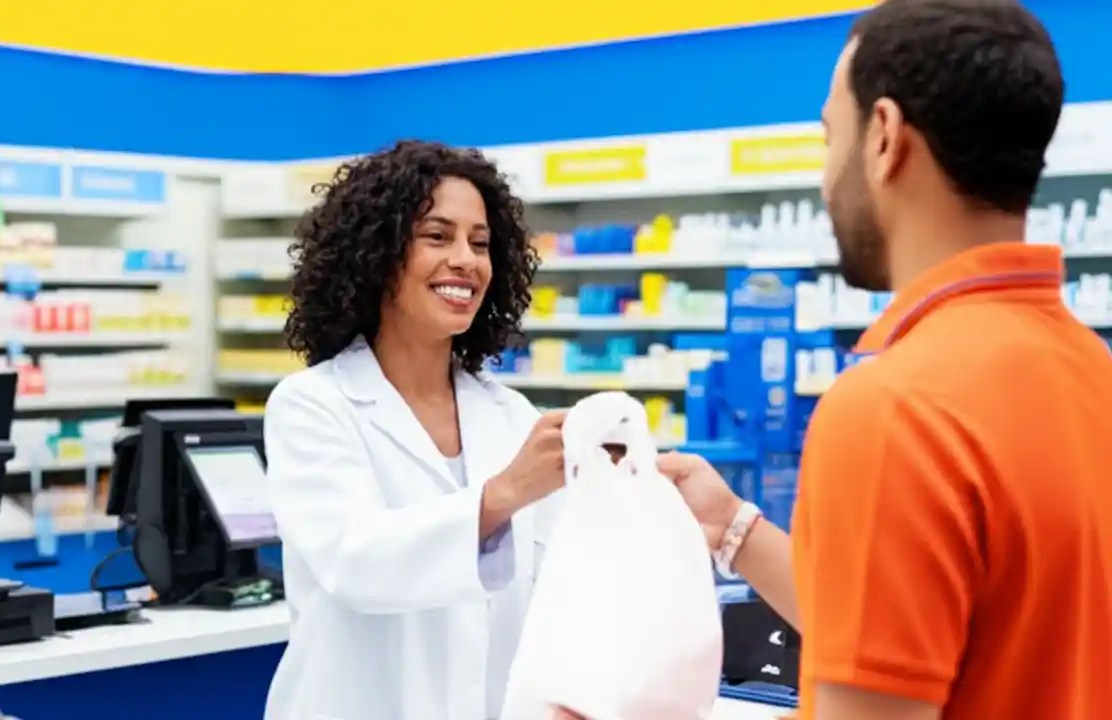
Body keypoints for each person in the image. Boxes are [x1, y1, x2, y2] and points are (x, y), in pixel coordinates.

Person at [663, 1, 1111, 719]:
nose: (823, 178)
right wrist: (731, 528)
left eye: (828, 135)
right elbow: (936, 628)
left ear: (884, 138)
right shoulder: (1093, 374)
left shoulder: (893, 410)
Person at [262, 140, 566, 720]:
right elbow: (358, 562)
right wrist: (502, 496)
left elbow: (557, 585)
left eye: (480, 243)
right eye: (437, 236)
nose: (466, 260)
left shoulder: (511, 417)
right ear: (377, 252)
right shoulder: (313, 405)